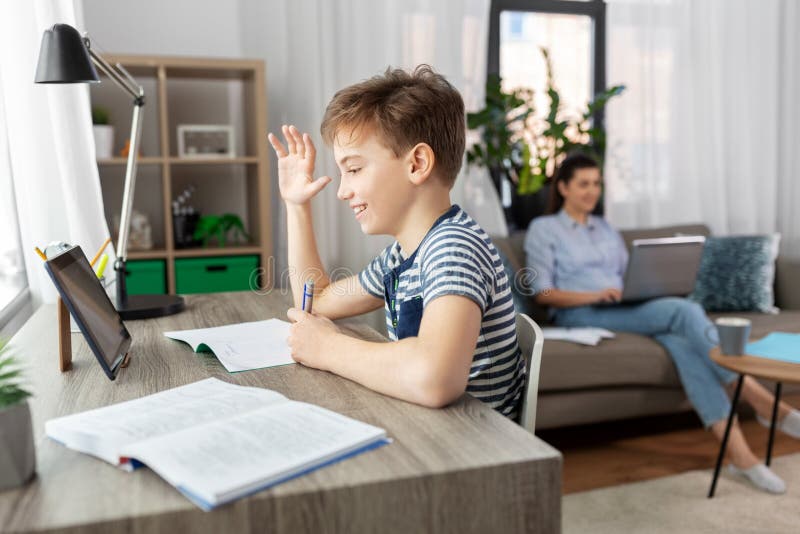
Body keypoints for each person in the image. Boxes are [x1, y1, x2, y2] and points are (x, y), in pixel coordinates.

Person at [524, 153, 800, 494]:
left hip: (624, 305)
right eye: (583, 184)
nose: (591, 191)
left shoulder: (606, 228)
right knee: (681, 311)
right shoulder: (544, 229)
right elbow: (543, 292)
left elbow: (630, 274)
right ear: (563, 187)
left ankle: (741, 456)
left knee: (682, 344)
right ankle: (758, 398)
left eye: (596, 183)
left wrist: (643, 286)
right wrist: (594, 294)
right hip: (580, 313)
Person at [267, 66, 525, 418]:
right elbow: (319, 301)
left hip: (471, 449)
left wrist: (328, 348)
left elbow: (436, 378)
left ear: (417, 163)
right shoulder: (401, 256)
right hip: (425, 428)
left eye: (354, 169)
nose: (342, 191)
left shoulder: (453, 248)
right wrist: (297, 205)